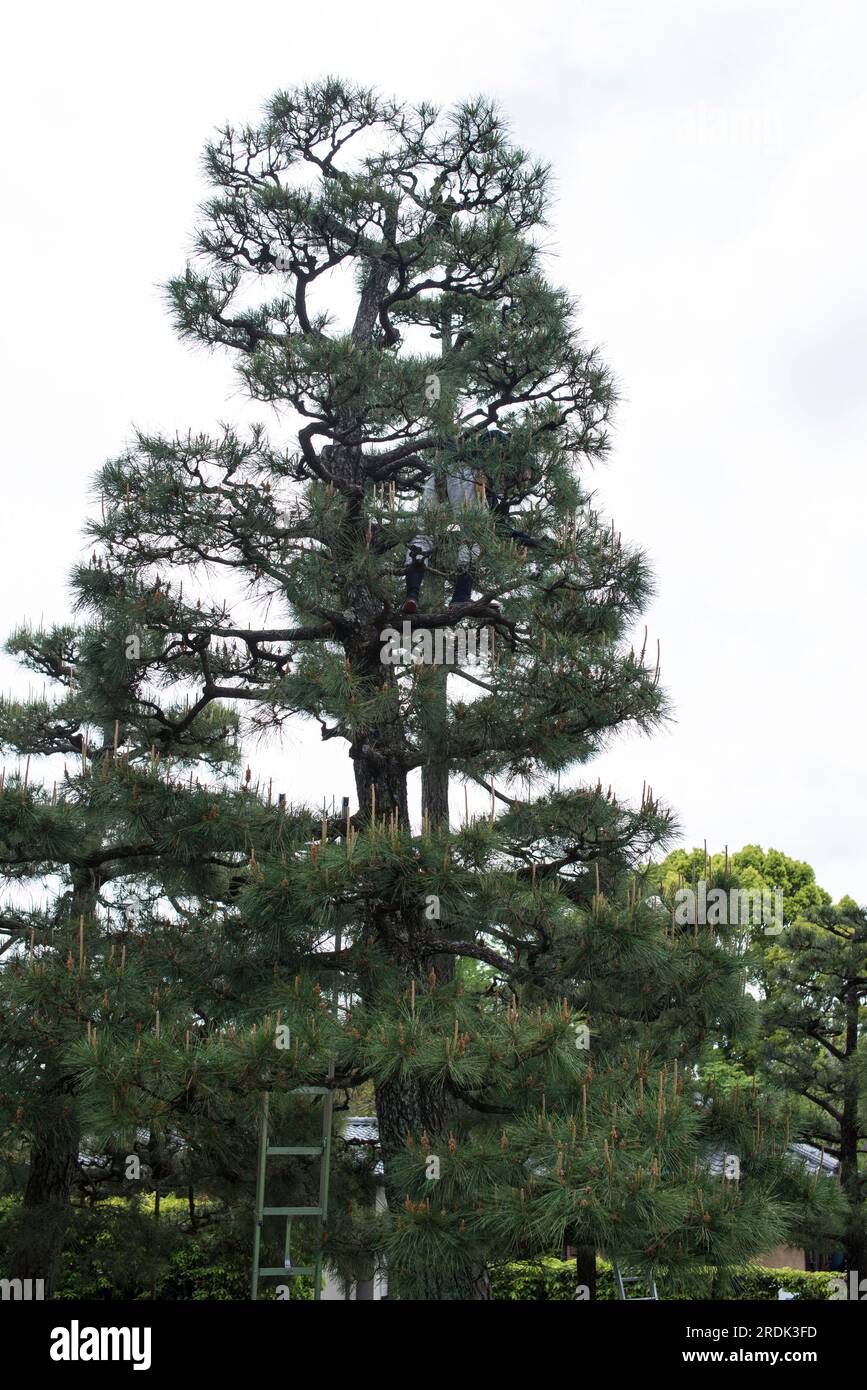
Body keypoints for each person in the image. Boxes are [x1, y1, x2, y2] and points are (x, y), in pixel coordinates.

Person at [402, 430, 539, 615]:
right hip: (464, 477)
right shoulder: (499, 452)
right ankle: (460, 598)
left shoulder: (490, 487)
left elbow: (494, 524)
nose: (523, 482)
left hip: (437, 478)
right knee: (474, 534)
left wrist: (519, 536)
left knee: (427, 533)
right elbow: (491, 437)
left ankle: (411, 596)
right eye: (526, 477)